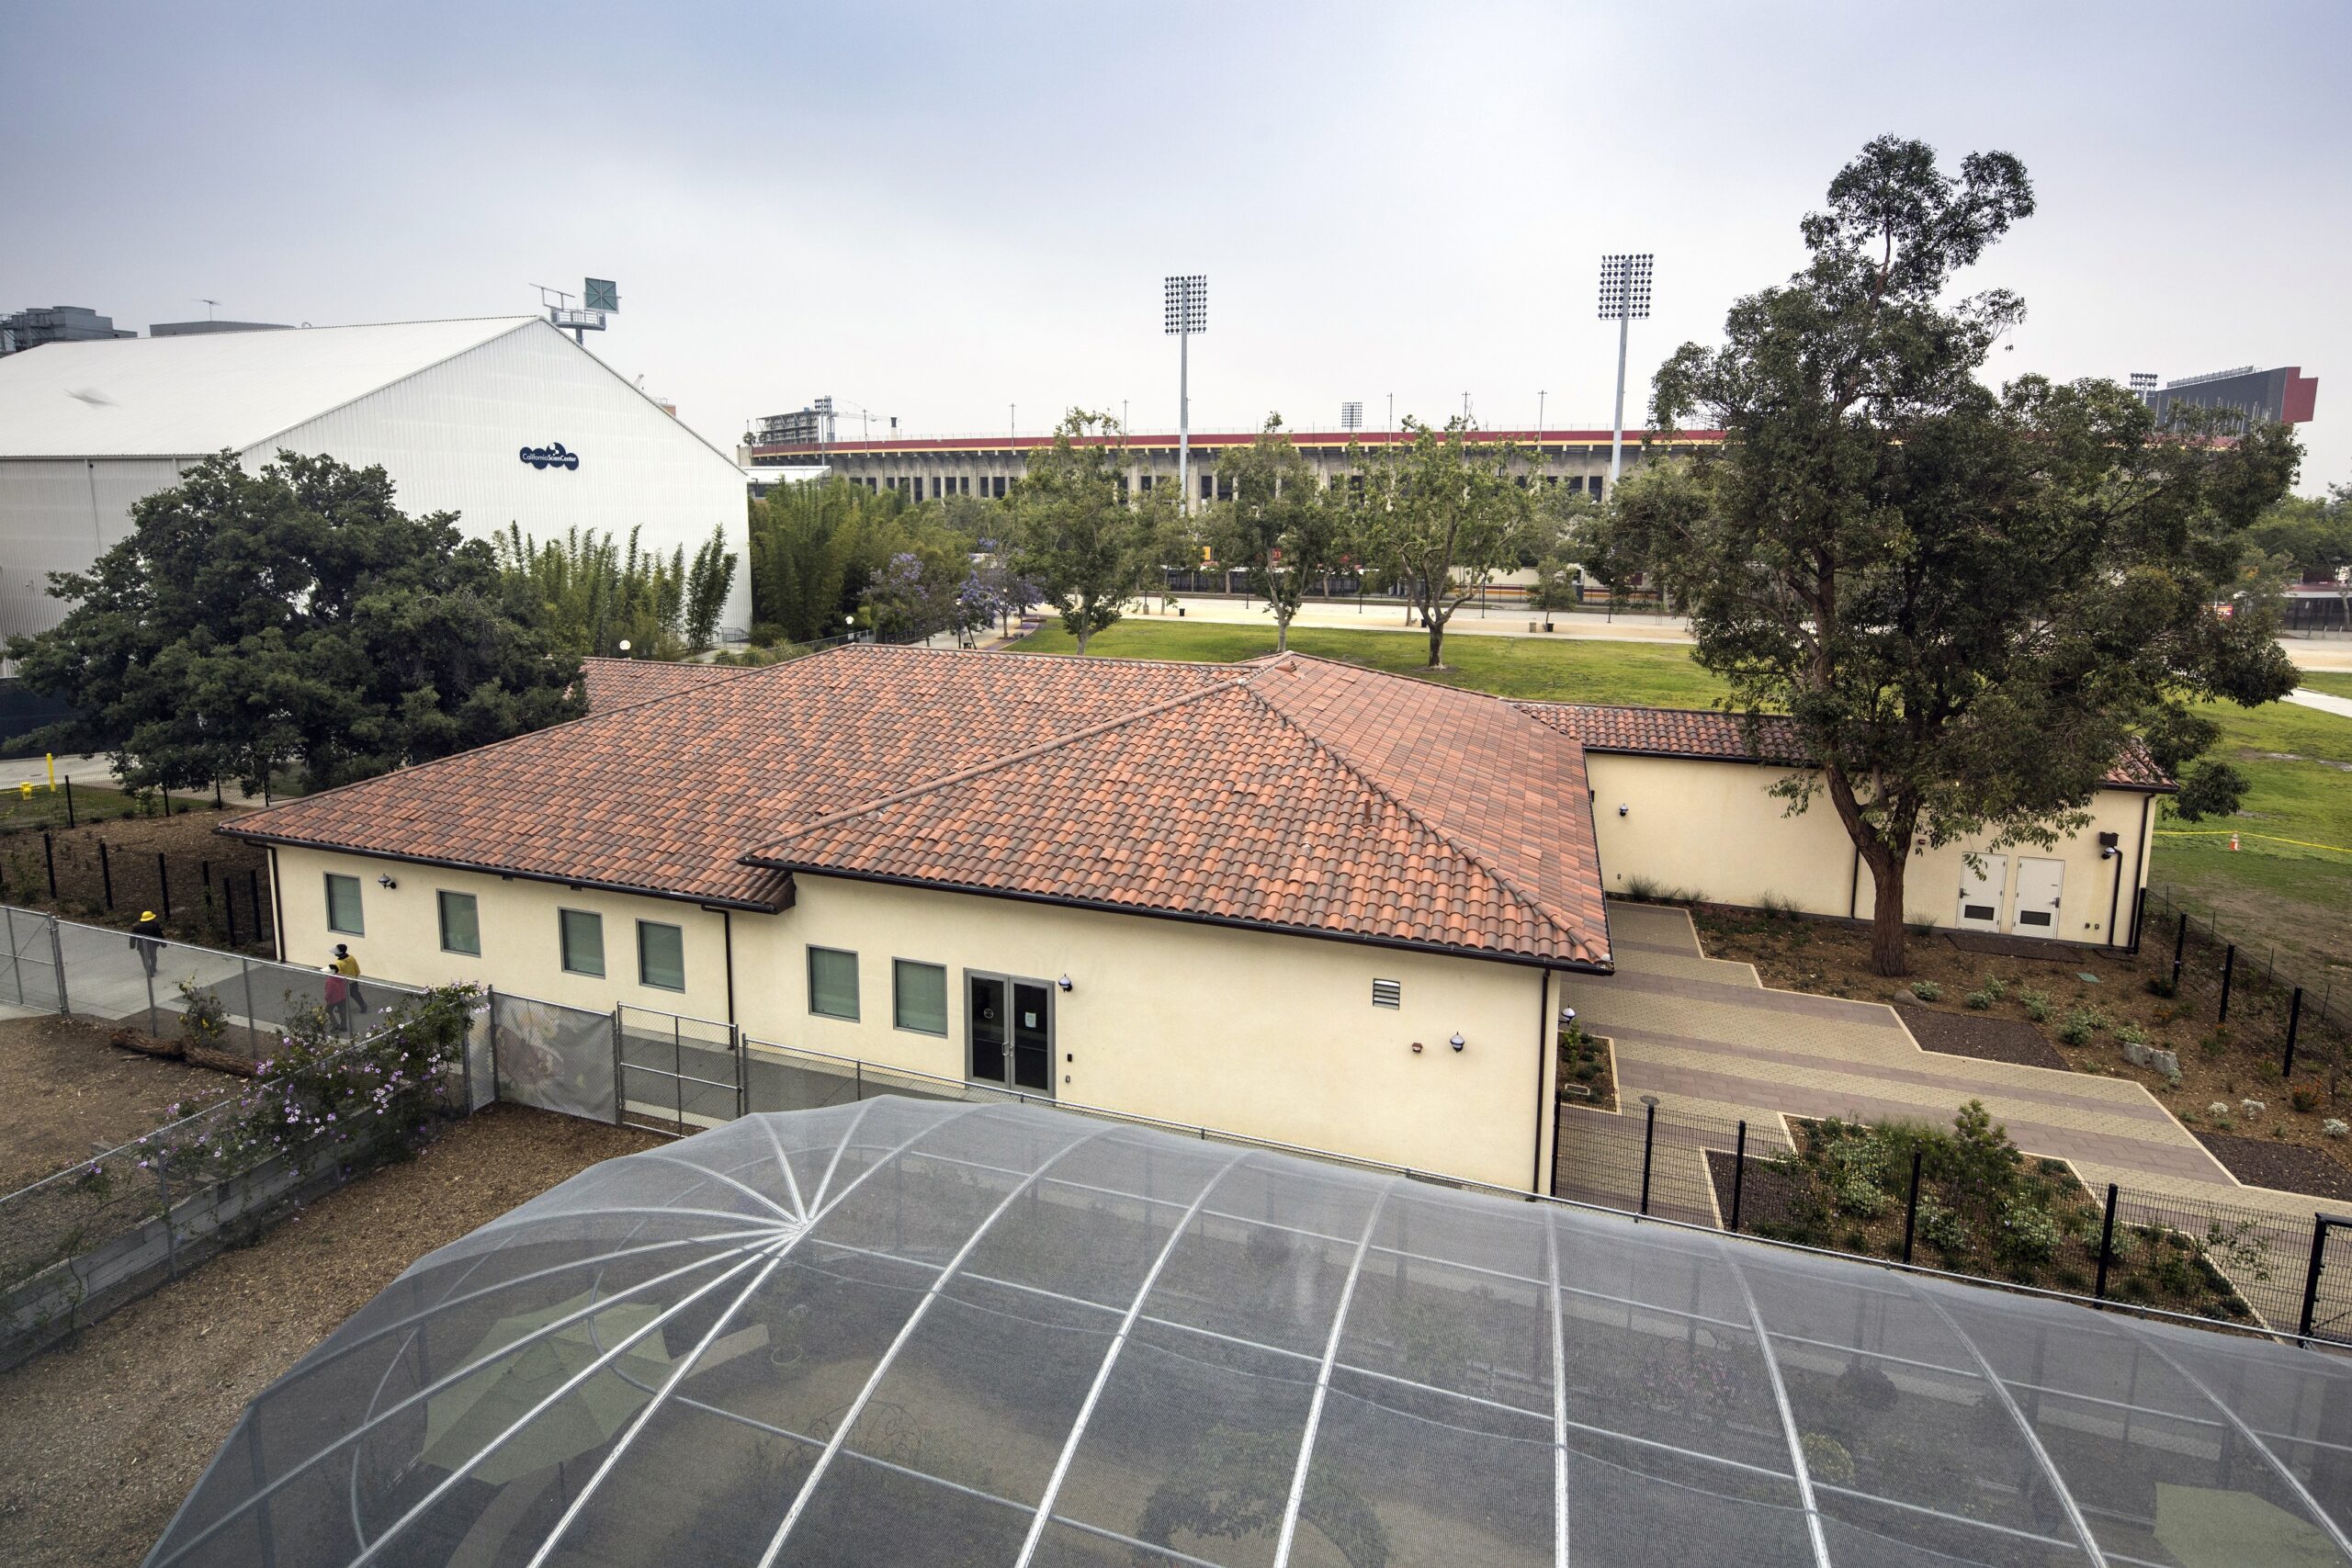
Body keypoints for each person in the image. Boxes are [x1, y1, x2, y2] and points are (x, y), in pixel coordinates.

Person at [325, 942, 367, 1032]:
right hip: (353, 979)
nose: (334, 953)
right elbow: (357, 968)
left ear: (339, 953)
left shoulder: (338, 963)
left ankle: (341, 1010)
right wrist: (356, 976)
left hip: (345, 982)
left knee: (344, 996)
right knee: (355, 993)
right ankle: (363, 1005)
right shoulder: (351, 957)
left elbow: (338, 975)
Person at [130, 909, 164, 978]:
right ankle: (153, 968)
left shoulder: (137, 926)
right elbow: (159, 935)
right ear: (151, 918)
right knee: (153, 956)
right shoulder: (155, 925)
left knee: (145, 958)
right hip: (153, 945)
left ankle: (149, 972)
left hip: (141, 945)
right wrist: (163, 944)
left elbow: (133, 937)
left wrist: (132, 945)